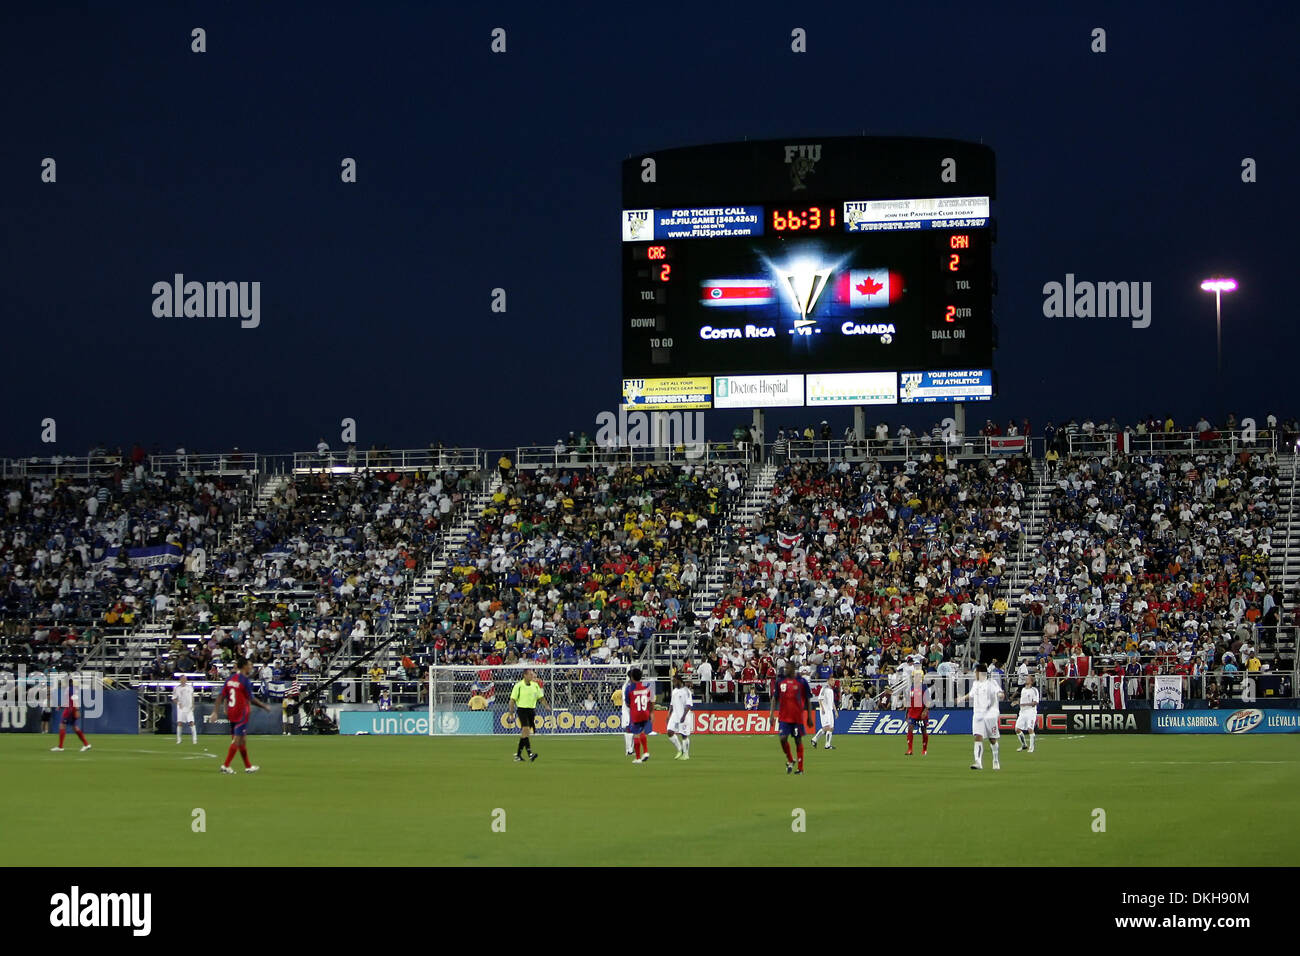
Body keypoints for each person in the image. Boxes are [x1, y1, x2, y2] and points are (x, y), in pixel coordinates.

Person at [214, 659, 270, 773]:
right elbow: (252, 699)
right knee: (237, 740)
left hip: (231, 713)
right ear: (244, 666)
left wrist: (215, 711)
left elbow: (221, 696)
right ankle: (225, 766)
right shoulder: (244, 681)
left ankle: (248, 767)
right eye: (250, 665)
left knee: (242, 741)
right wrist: (264, 706)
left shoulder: (230, 679)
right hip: (241, 714)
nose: (251, 667)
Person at [770, 663, 815, 775]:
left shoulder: (801, 682)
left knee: (797, 740)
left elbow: (808, 699)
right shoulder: (780, 682)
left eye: (787, 668)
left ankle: (800, 768)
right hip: (784, 717)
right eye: (785, 668)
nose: (785, 670)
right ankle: (790, 759)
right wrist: (771, 714)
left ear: (793, 669)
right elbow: (774, 698)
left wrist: (809, 716)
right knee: (782, 739)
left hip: (797, 717)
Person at [959, 663, 1005, 771]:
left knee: (992, 739)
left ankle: (995, 759)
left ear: (980, 672)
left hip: (990, 715)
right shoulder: (975, 684)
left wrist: (1000, 695)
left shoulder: (992, 683)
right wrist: (961, 698)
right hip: (978, 715)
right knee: (978, 736)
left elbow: (1000, 693)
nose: (975, 674)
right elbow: (970, 695)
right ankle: (978, 762)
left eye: (976, 672)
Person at [507, 668, 546, 763]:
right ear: (525, 675)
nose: (532, 676)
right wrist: (511, 713)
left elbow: (541, 697)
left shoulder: (535, 685)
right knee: (526, 730)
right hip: (522, 710)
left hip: (531, 710)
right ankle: (530, 754)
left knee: (525, 733)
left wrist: (546, 705)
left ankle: (519, 755)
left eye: (532, 674)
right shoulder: (518, 686)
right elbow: (512, 700)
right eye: (530, 674)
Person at [623, 667, 654, 763]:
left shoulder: (629, 688)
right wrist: (651, 712)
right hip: (645, 712)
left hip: (636, 713)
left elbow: (627, 702)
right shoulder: (645, 687)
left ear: (632, 677)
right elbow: (650, 700)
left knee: (636, 734)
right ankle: (645, 752)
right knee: (642, 732)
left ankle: (638, 757)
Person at [51, 684, 91, 753]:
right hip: (70, 709)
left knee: (62, 725)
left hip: (70, 710)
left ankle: (60, 747)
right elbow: (70, 701)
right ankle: (86, 744)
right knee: (74, 728)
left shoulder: (70, 689)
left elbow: (75, 699)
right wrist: (61, 706)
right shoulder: (69, 689)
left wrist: (77, 710)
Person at [666, 674, 693, 760]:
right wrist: (668, 714)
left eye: (674, 681)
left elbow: (689, 705)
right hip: (675, 715)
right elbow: (671, 704)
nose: (673, 683)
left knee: (684, 735)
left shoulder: (686, 691)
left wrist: (684, 716)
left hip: (684, 715)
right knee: (669, 732)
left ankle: (686, 754)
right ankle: (679, 749)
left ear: (679, 680)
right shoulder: (674, 691)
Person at [904, 669, 929, 757]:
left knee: (923, 730)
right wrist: (906, 713)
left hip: (921, 712)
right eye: (914, 677)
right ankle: (910, 749)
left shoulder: (924, 687)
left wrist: (925, 711)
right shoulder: (911, 687)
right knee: (910, 728)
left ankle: (924, 750)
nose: (915, 678)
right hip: (912, 712)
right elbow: (908, 701)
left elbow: (928, 700)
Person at [1015, 673, 1041, 753]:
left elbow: (1035, 703)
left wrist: (1024, 704)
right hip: (1022, 712)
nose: (1026, 679)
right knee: (1017, 729)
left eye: (1028, 678)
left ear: (1031, 681)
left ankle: (1031, 747)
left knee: (1030, 729)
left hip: (1031, 712)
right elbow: (1022, 700)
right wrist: (1017, 702)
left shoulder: (1034, 690)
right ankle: (1024, 745)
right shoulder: (1023, 689)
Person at [809, 679, 837, 750]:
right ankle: (814, 739)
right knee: (827, 727)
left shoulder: (831, 690)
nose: (833, 682)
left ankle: (827, 745)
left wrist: (835, 711)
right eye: (832, 681)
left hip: (830, 711)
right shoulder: (824, 689)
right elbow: (820, 699)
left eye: (834, 681)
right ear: (828, 681)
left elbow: (832, 702)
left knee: (831, 728)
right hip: (825, 710)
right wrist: (822, 708)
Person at [173, 674, 197, 744]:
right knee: (180, 723)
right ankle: (179, 739)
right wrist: (178, 703)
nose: (184, 680)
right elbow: (174, 698)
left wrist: (193, 704)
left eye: (185, 679)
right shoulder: (176, 688)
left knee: (191, 722)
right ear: (180, 680)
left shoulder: (190, 687)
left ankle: (194, 739)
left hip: (189, 707)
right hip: (181, 708)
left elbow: (192, 696)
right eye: (183, 679)